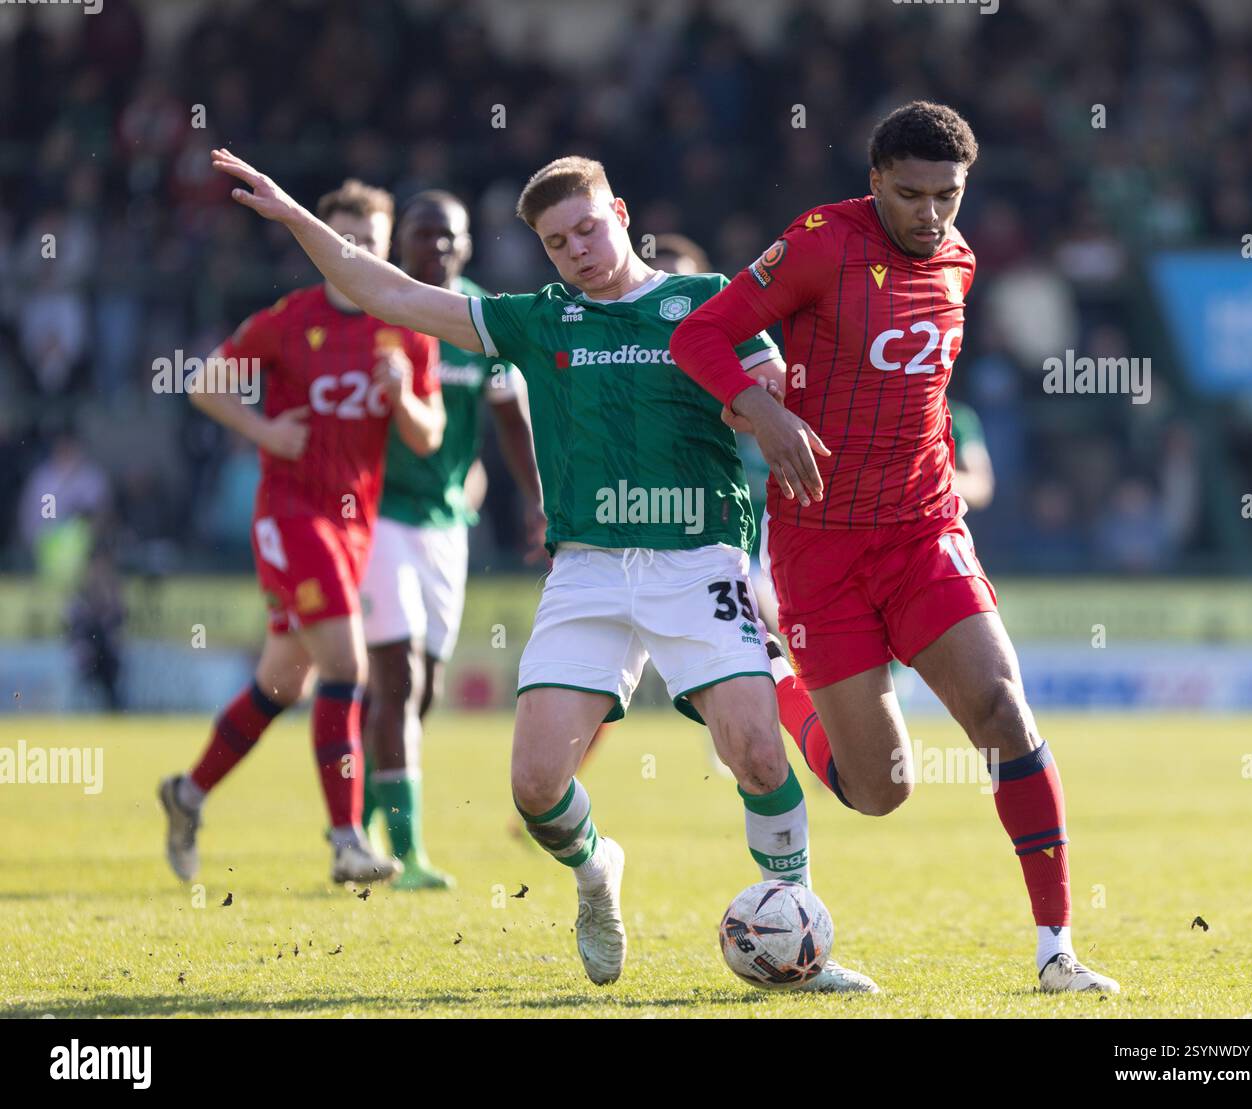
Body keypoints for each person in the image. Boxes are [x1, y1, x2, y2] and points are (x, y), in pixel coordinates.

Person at [210, 146, 874, 992]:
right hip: (588, 570)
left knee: (754, 749)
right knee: (534, 786)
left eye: (589, 228)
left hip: (696, 556)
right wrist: (295, 214)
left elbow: (766, 411)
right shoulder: (536, 317)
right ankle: (598, 875)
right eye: (558, 242)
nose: (579, 250)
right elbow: (387, 291)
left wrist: (768, 400)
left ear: (622, 214)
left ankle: (798, 935)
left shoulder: (707, 304)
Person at [669, 101, 1120, 994]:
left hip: (922, 530)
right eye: (910, 194)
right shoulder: (814, 243)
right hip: (820, 547)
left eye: (947, 195)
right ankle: (785, 685)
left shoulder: (960, 258)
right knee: (880, 791)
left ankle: (1056, 946)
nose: (930, 214)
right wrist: (764, 411)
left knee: (1001, 710)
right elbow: (698, 333)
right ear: (874, 181)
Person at [159, 179, 445, 886]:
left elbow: (430, 436)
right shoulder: (289, 321)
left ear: (383, 249)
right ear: (324, 245)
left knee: (281, 683)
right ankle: (347, 839)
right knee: (348, 667)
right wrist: (262, 431)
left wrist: (403, 393)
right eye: (345, 242)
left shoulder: (405, 325)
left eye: (369, 244)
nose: (356, 255)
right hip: (292, 515)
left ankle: (187, 792)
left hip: (355, 525)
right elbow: (202, 382)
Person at [358, 189, 544, 891]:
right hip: (378, 515)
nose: (435, 247)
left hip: (446, 523)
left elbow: (510, 416)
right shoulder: (380, 306)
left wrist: (535, 498)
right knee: (399, 676)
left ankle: (362, 809)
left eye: (448, 236)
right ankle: (405, 855)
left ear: (466, 247)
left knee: (424, 684)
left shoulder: (476, 320)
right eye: (423, 233)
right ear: (400, 242)